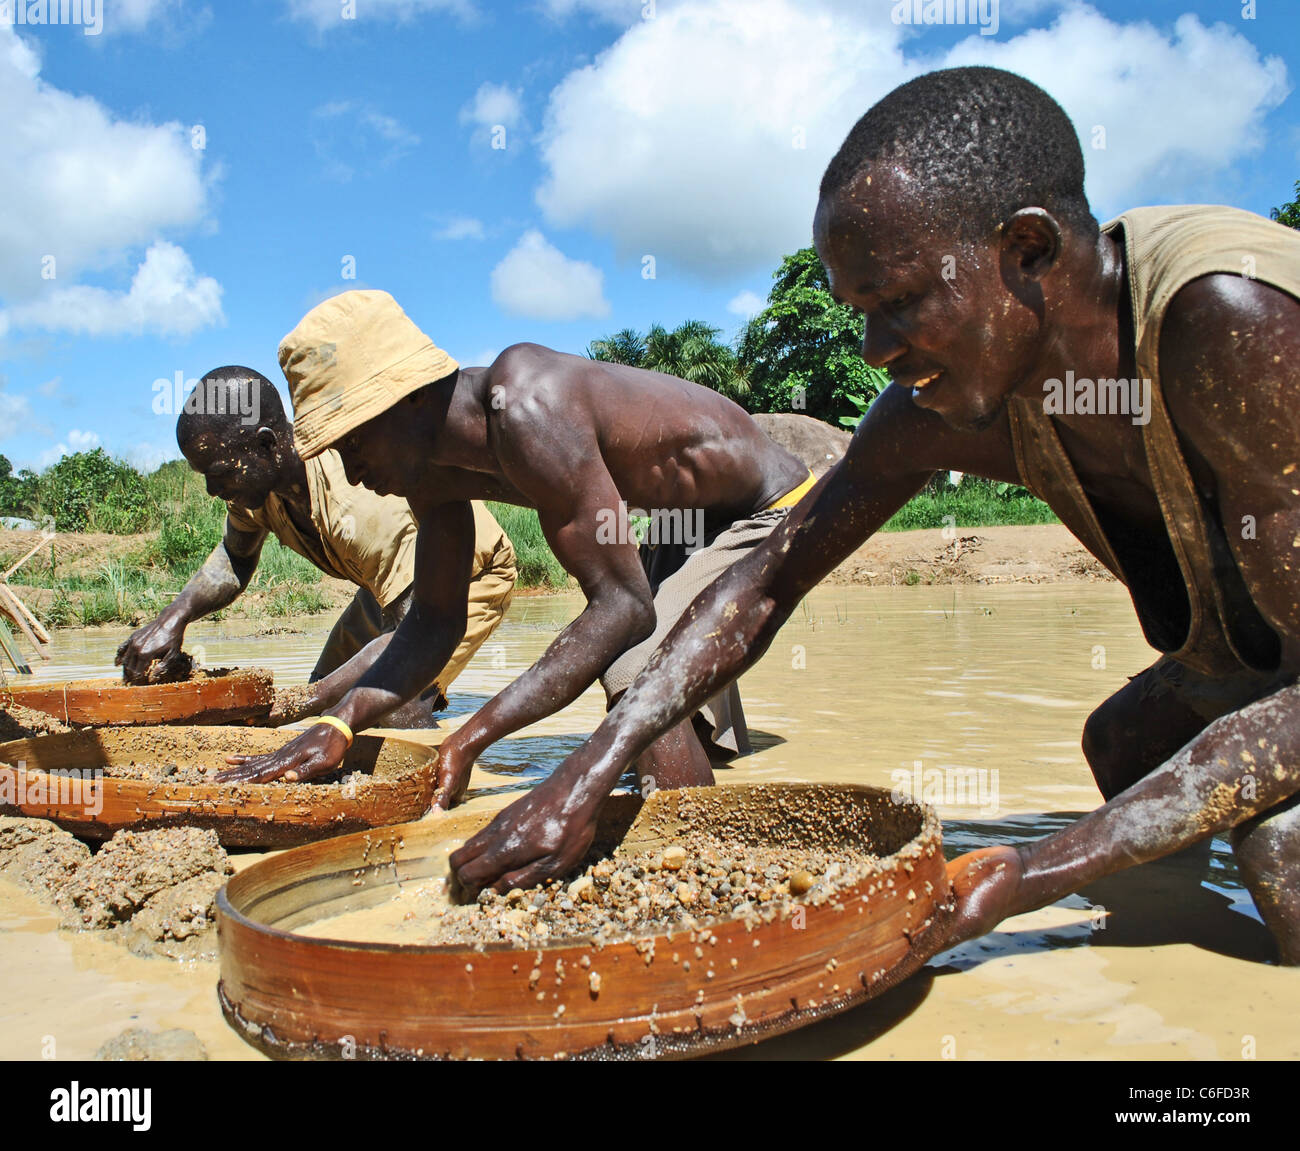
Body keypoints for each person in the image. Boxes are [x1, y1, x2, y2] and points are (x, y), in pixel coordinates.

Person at [448, 66, 1300, 969]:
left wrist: (1031, 873)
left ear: (1027, 252)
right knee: (1125, 741)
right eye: (859, 314)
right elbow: (763, 583)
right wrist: (593, 766)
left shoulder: (1226, 322)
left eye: (897, 303)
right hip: (1253, 658)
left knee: (1282, 851)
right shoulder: (942, 407)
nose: (874, 351)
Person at [217, 290, 813, 797]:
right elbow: (432, 625)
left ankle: (692, 860)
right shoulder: (431, 474)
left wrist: (471, 737)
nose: (350, 474)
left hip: (763, 510)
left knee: (638, 669)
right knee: (665, 726)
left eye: (354, 444)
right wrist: (341, 723)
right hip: (676, 526)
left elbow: (624, 609)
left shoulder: (528, 406)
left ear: (412, 399)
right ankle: (693, 783)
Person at [117, 368, 517, 727]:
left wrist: (301, 704)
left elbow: (412, 635)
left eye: (219, 474)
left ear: (266, 445)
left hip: (468, 571)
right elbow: (234, 557)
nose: (212, 490)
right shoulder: (256, 490)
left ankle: (439, 799)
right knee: (322, 701)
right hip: (388, 585)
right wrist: (175, 616)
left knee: (389, 702)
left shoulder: (355, 502)